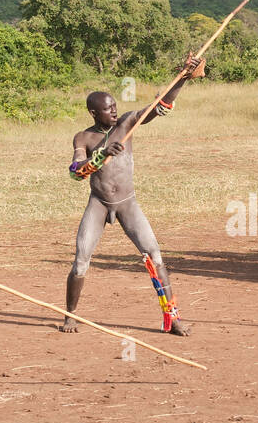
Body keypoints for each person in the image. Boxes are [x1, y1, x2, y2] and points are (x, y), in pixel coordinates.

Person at [63, 53, 204, 335]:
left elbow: (160, 106)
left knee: (155, 255)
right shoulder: (84, 137)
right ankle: (70, 315)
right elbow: (76, 172)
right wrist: (101, 156)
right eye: (107, 109)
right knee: (81, 260)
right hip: (99, 203)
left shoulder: (127, 123)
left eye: (115, 106)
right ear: (94, 113)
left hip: (128, 203)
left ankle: (172, 318)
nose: (113, 112)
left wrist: (184, 78)